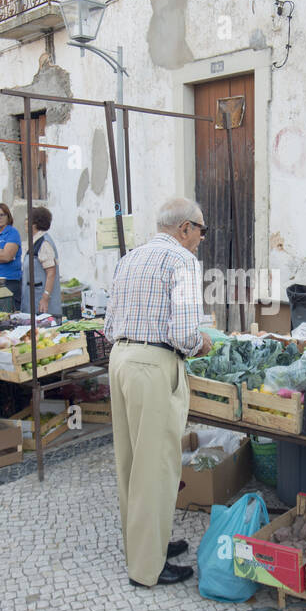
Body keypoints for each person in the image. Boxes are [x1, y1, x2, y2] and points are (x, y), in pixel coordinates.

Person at [104, 198, 212, 588]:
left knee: (131, 463)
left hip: (120, 359)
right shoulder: (182, 261)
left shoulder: (130, 258)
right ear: (184, 228)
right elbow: (184, 332)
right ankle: (147, 568)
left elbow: (109, 321)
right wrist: (201, 343)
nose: (202, 237)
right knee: (156, 467)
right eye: (201, 229)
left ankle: (148, 545)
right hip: (152, 365)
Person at [27, 206, 62, 318]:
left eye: (28, 219)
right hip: (34, 298)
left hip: (41, 302)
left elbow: (51, 272)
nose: (25, 223)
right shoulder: (36, 241)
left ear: (35, 224)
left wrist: (45, 298)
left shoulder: (43, 243)